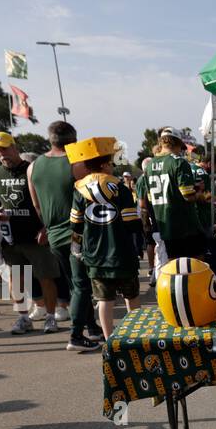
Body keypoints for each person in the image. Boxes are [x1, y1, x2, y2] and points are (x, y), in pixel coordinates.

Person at [29, 120, 102, 349]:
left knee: (75, 284)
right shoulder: (76, 163)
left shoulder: (33, 166)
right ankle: (76, 335)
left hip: (53, 233)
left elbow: (37, 205)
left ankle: (92, 327)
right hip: (76, 232)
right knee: (81, 285)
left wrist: (47, 226)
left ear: (50, 139)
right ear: (74, 140)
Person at [0, 131, 64, 337]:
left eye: (5, 148)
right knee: (15, 278)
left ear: (14, 147)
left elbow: (46, 201)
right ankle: (22, 317)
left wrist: (46, 227)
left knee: (45, 277)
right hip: (10, 238)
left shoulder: (32, 170)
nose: (2, 153)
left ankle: (50, 316)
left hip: (36, 235)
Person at [68, 136, 141, 343]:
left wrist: (79, 246)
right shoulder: (121, 188)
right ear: (103, 164)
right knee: (131, 296)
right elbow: (131, 223)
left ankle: (109, 341)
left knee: (104, 300)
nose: (112, 166)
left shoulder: (79, 190)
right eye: (110, 162)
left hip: (95, 255)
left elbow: (75, 223)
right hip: (122, 252)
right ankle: (135, 335)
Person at [142, 128, 208, 260]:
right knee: (197, 265)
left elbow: (150, 198)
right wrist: (200, 194)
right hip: (186, 226)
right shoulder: (178, 161)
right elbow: (187, 196)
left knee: (174, 266)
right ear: (177, 143)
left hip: (165, 226)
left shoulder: (149, 166)